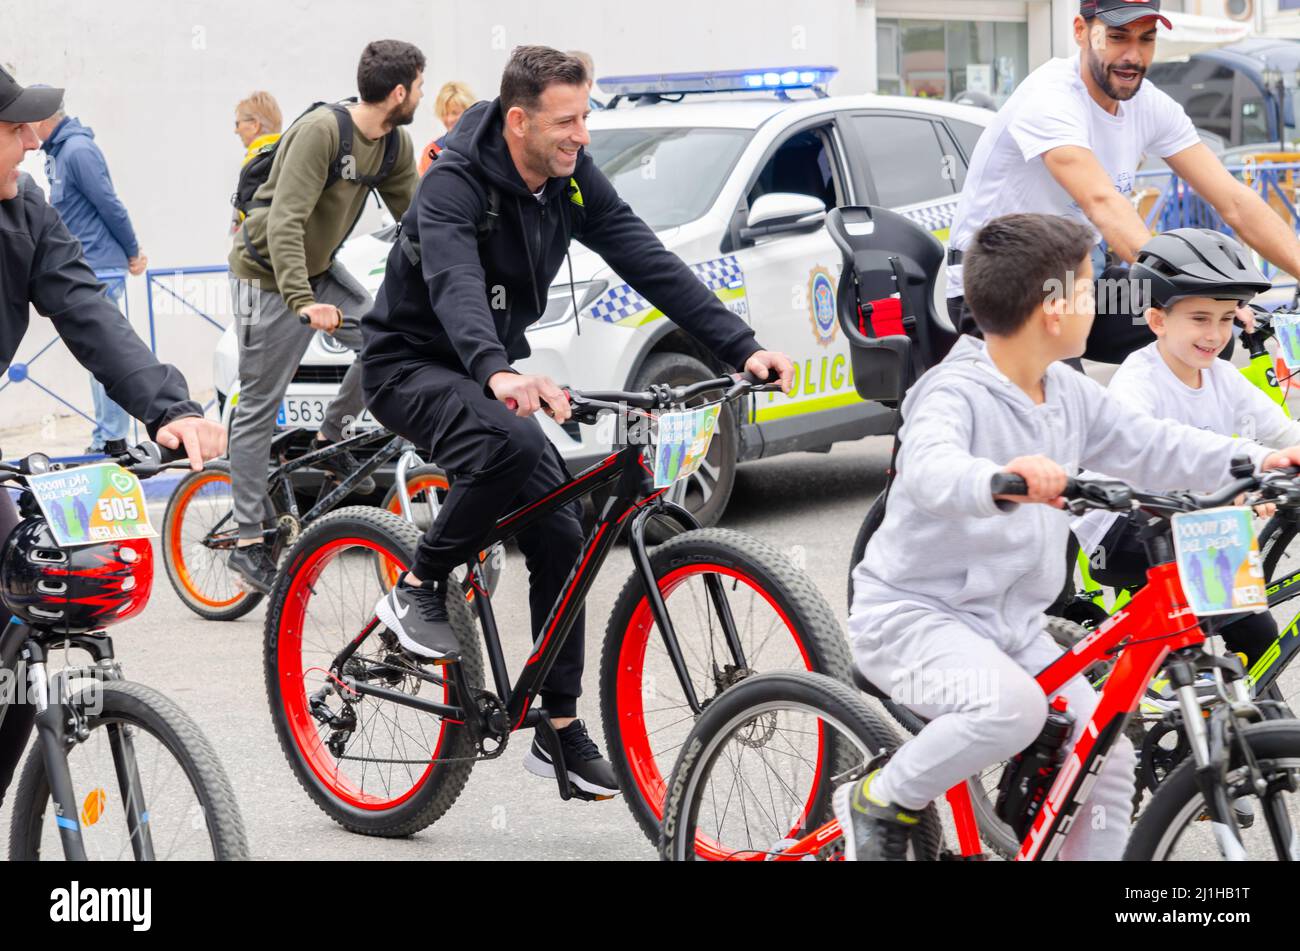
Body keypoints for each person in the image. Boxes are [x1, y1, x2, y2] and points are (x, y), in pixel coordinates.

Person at [360, 46, 794, 798]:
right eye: (567, 121)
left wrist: (741, 345)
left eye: (586, 116)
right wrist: (496, 370)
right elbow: (456, 282)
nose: (582, 135)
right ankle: (421, 582)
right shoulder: (455, 181)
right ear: (520, 120)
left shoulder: (567, 178)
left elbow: (644, 256)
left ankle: (557, 729)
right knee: (507, 436)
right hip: (411, 364)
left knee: (564, 523)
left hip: (489, 366)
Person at [835, 212, 1300, 860]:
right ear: (1053, 310)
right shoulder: (953, 389)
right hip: (916, 618)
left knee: (1105, 760)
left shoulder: (1070, 392)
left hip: (1015, 627)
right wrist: (997, 478)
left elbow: (1156, 444)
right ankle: (880, 796)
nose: (1105, 303)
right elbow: (929, 465)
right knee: (1015, 710)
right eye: (1090, 289)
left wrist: (1256, 459)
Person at [945, 0, 1300, 364]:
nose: (1133, 55)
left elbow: (1234, 201)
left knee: (1203, 331)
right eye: (1116, 37)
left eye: (1146, 39)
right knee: (1063, 405)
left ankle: (1173, 420)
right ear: (1081, 32)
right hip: (1006, 287)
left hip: (1087, 285)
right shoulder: (1049, 98)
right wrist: (1176, 283)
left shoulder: (1150, 106)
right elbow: (1101, 201)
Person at [225, 40, 422, 594]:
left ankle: (329, 435)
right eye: (420, 87)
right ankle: (246, 539)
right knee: (259, 402)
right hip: (263, 274)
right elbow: (284, 221)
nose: (422, 97)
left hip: (320, 268)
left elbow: (422, 221)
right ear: (400, 91)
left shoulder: (392, 145)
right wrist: (301, 302)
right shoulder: (321, 132)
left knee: (389, 334)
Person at [1073, 229, 1297, 667]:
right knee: (1202, 637)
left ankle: (1242, 724)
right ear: (1158, 321)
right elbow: (1148, 455)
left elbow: (1284, 434)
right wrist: (1237, 484)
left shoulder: (1221, 376)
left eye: (1226, 318)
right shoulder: (1139, 381)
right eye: (1199, 319)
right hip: (1123, 526)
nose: (1215, 335)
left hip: (1194, 519)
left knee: (1255, 635)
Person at [31, 95, 148, 455]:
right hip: (85, 264)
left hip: (100, 264)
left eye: (28, 121)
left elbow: (109, 203)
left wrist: (132, 251)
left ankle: (114, 438)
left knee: (104, 351)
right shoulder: (59, 153)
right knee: (96, 356)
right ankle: (107, 435)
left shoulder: (78, 151)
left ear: (44, 119)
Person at [418, 81, 474, 175]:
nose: (449, 119)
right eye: (445, 113)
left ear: (469, 111)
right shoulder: (432, 150)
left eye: (455, 112)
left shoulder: (481, 145)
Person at [235, 90, 283, 163]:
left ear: (255, 125)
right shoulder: (286, 153)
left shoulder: (255, 160)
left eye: (237, 124)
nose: (236, 131)